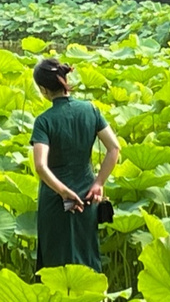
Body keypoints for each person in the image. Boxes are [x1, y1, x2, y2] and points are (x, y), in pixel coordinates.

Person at [30, 57, 120, 272]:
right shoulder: (91, 110)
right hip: (88, 195)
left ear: (43, 90)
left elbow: (41, 166)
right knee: (86, 256)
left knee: (55, 262)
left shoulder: (44, 121)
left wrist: (63, 192)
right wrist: (98, 183)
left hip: (54, 198)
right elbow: (114, 148)